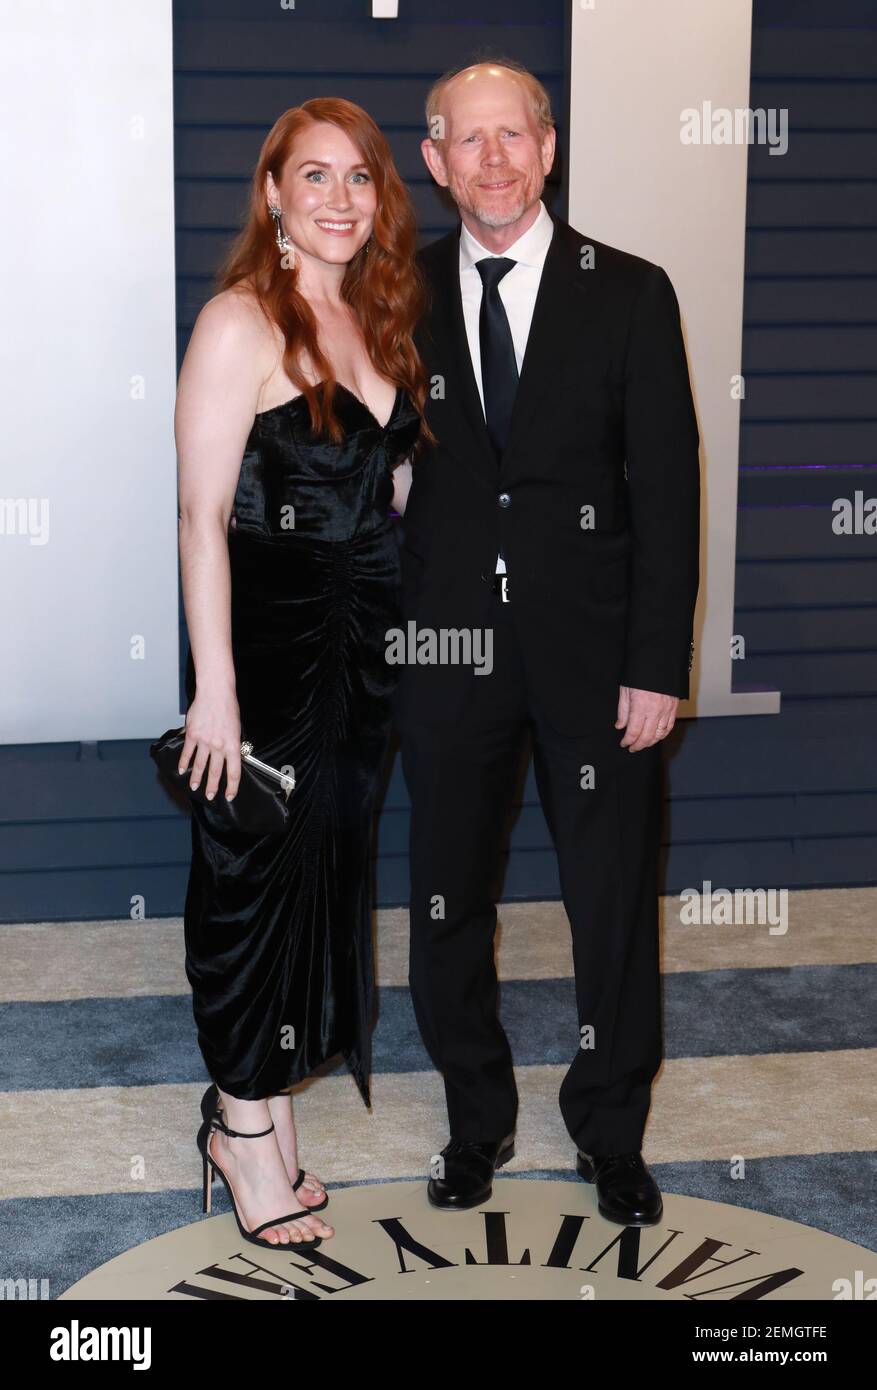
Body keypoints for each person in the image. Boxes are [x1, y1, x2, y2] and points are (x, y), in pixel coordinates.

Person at [396, 60, 700, 1225]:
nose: (493, 159)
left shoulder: (627, 292)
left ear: (548, 146)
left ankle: (609, 1132)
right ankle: (473, 1122)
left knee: (610, 902)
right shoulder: (394, 293)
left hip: (596, 658)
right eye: (467, 140)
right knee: (445, 902)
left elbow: (666, 491)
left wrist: (655, 665)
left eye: (512, 135)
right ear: (435, 161)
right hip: (445, 654)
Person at [175, 98, 425, 1250]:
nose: (338, 198)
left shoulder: (378, 318)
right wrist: (214, 689)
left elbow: (389, 492)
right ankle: (238, 1131)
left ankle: (268, 1114)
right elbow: (200, 517)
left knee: (319, 883)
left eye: (358, 177)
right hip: (268, 652)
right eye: (312, 175)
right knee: (249, 887)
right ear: (272, 193)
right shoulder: (240, 320)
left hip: (360, 656)